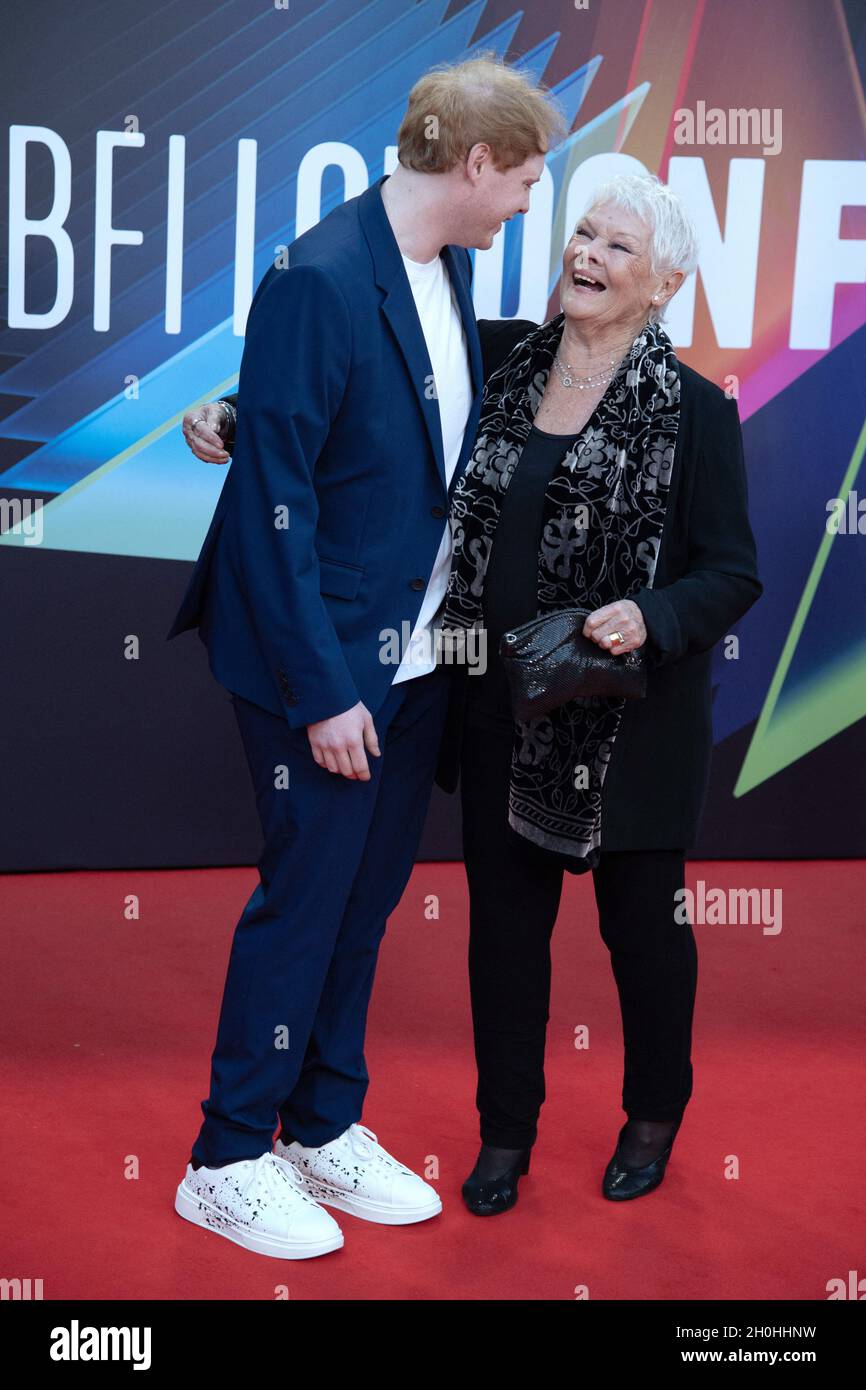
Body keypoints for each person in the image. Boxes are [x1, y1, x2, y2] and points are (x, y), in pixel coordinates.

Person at [169, 54, 567, 1259]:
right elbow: (271, 501)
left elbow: (353, 416)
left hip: (417, 663)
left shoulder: (445, 266)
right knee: (305, 903)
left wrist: (233, 405)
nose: (525, 205)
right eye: (523, 179)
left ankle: (321, 1122)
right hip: (325, 665)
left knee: (366, 902)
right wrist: (325, 690)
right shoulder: (322, 270)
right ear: (477, 160)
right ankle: (226, 1154)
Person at [436, 172, 763, 1214]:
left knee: (644, 937)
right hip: (496, 708)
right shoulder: (494, 362)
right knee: (502, 934)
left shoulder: (699, 414)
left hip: (633, 732)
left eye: (617, 248)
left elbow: (730, 570)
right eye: (581, 232)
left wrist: (650, 617)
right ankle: (504, 1133)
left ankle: (653, 1112)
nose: (586, 254)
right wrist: (235, 413)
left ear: (661, 283)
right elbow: (356, 393)